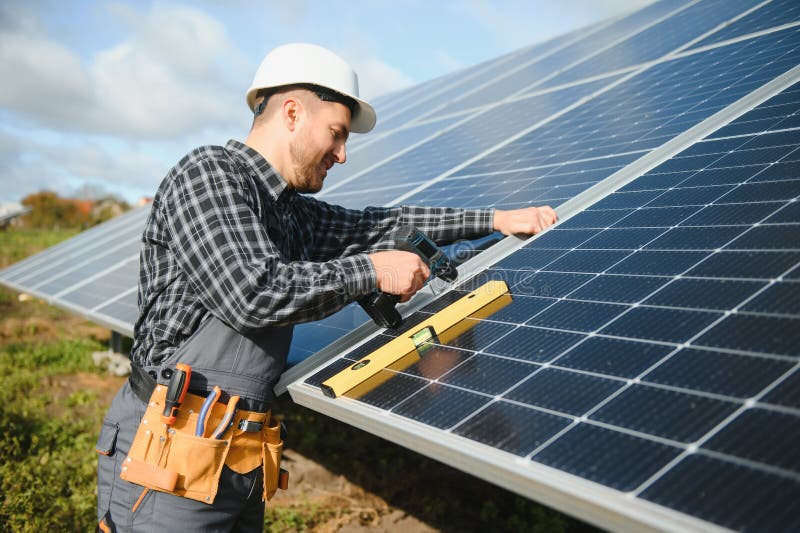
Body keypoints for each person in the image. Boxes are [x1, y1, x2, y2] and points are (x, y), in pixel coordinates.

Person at [95, 42, 557, 532]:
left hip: (240, 453)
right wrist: (373, 271)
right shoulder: (208, 175)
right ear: (292, 112)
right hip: (169, 451)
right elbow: (253, 292)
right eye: (336, 135)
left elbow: (382, 225)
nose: (342, 154)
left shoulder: (291, 211)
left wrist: (495, 219)